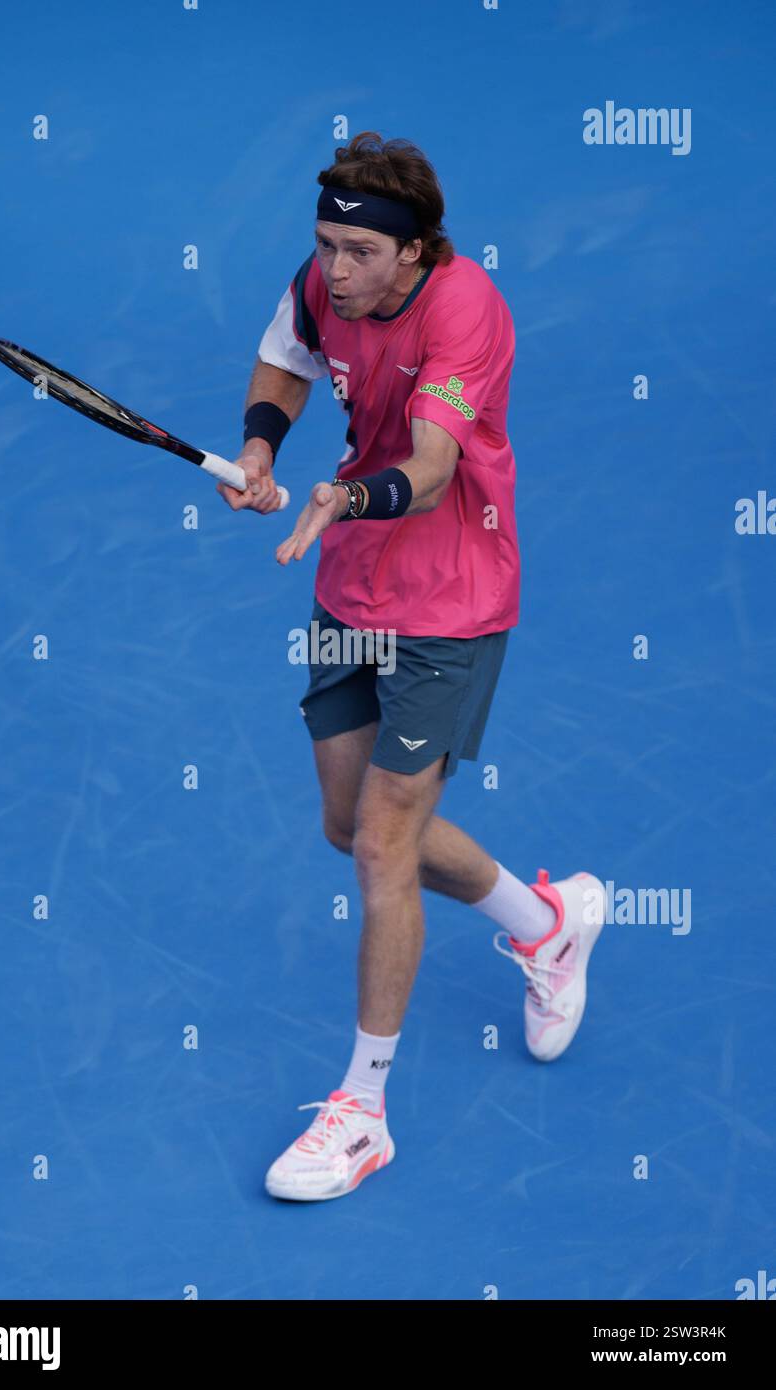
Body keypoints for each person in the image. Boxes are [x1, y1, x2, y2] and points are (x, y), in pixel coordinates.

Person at [217, 131, 606, 1202]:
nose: (333, 272)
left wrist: (341, 493)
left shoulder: (466, 307)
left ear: (414, 252)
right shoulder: (324, 281)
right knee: (349, 824)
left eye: (355, 253)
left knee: (382, 846)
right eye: (323, 245)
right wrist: (260, 450)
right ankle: (550, 924)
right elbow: (284, 358)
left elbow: (429, 475)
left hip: (451, 603)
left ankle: (361, 1113)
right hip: (348, 585)